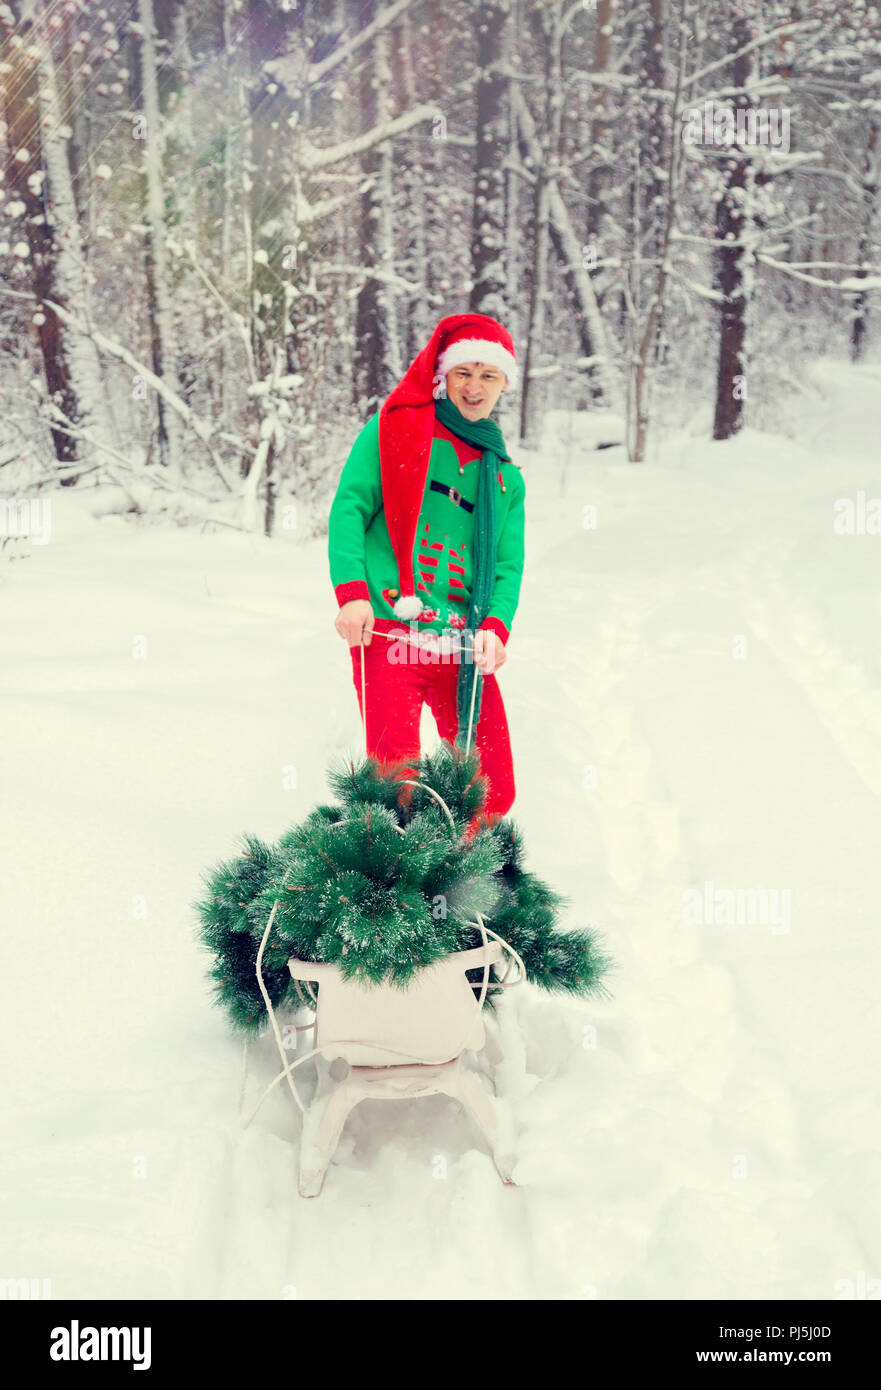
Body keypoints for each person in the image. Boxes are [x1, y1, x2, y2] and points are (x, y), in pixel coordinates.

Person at [328, 313, 526, 821]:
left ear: (505, 381)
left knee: (492, 787)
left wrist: (496, 627)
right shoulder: (396, 430)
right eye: (464, 373)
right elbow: (350, 507)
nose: (475, 387)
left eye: (489, 375)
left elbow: (508, 563)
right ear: (442, 376)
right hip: (391, 630)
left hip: (459, 643)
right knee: (396, 786)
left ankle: (458, 889)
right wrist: (352, 593)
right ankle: (396, 892)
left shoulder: (504, 477)